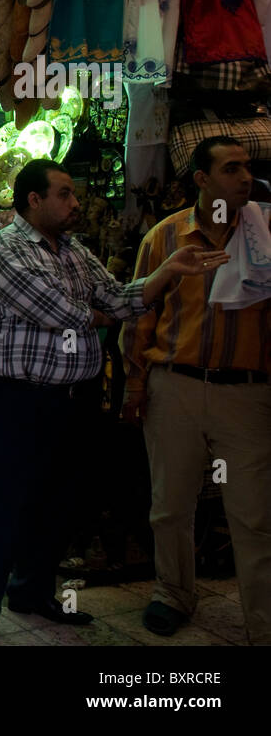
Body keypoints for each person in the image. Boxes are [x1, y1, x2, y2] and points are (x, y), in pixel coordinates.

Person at [0, 158, 228, 646]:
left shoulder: (74, 251)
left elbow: (119, 298)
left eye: (75, 194)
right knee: (1, 505)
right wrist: (102, 313)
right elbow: (61, 312)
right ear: (33, 199)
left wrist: (166, 271)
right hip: (17, 400)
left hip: (71, 400)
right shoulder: (6, 248)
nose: (76, 204)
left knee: (57, 503)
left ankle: (32, 591)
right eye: (64, 194)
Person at [121, 137, 271, 644]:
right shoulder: (165, 238)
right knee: (170, 505)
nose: (245, 178)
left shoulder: (266, 235)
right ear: (202, 180)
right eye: (232, 169)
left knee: (253, 516)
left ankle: (262, 625)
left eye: (248, 168)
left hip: (246, 394)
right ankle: (174, 593)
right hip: (175, 387)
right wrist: (135, 383)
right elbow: (140, 313)